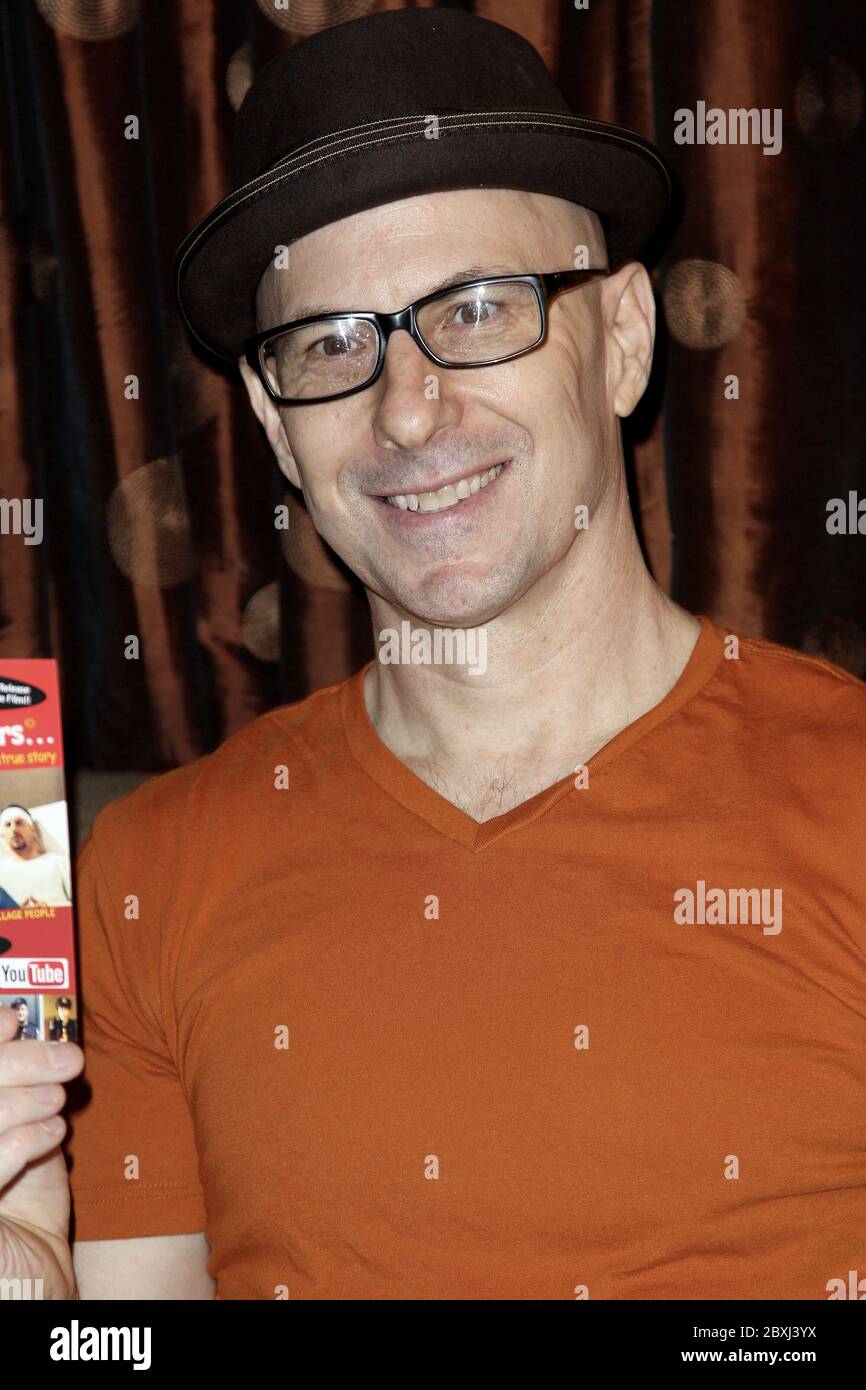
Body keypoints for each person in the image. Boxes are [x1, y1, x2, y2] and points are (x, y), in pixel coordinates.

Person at [0, 9, 863, 1303]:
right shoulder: (141, 874)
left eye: (475, 308)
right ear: (275, 427)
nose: (406, 409)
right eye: (331, 344)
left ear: (622, 337)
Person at [0, 804, 72, 908]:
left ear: (33, 829)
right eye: (8, 825)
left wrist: (50, 909)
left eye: (19, 823)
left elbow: (82, 905)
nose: (14, 829)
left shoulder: (59, 862)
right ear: (3, 835)